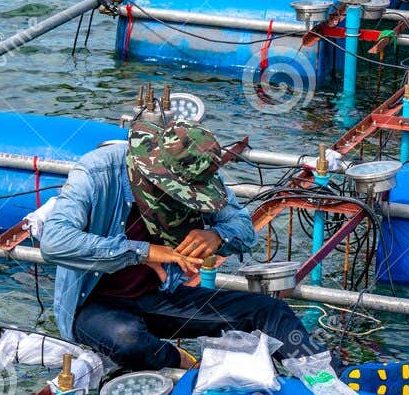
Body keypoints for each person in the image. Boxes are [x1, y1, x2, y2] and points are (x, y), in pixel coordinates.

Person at [39, 118, 320, 372]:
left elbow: (245, 230)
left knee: (268, 310)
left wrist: (219, 236)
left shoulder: (197, 170)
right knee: (128, 341)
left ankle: (328, 379)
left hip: (159, 294)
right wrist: (142, 252)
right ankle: (178, 360)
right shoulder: (96, 172)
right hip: (93, 302)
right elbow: (53, 241)